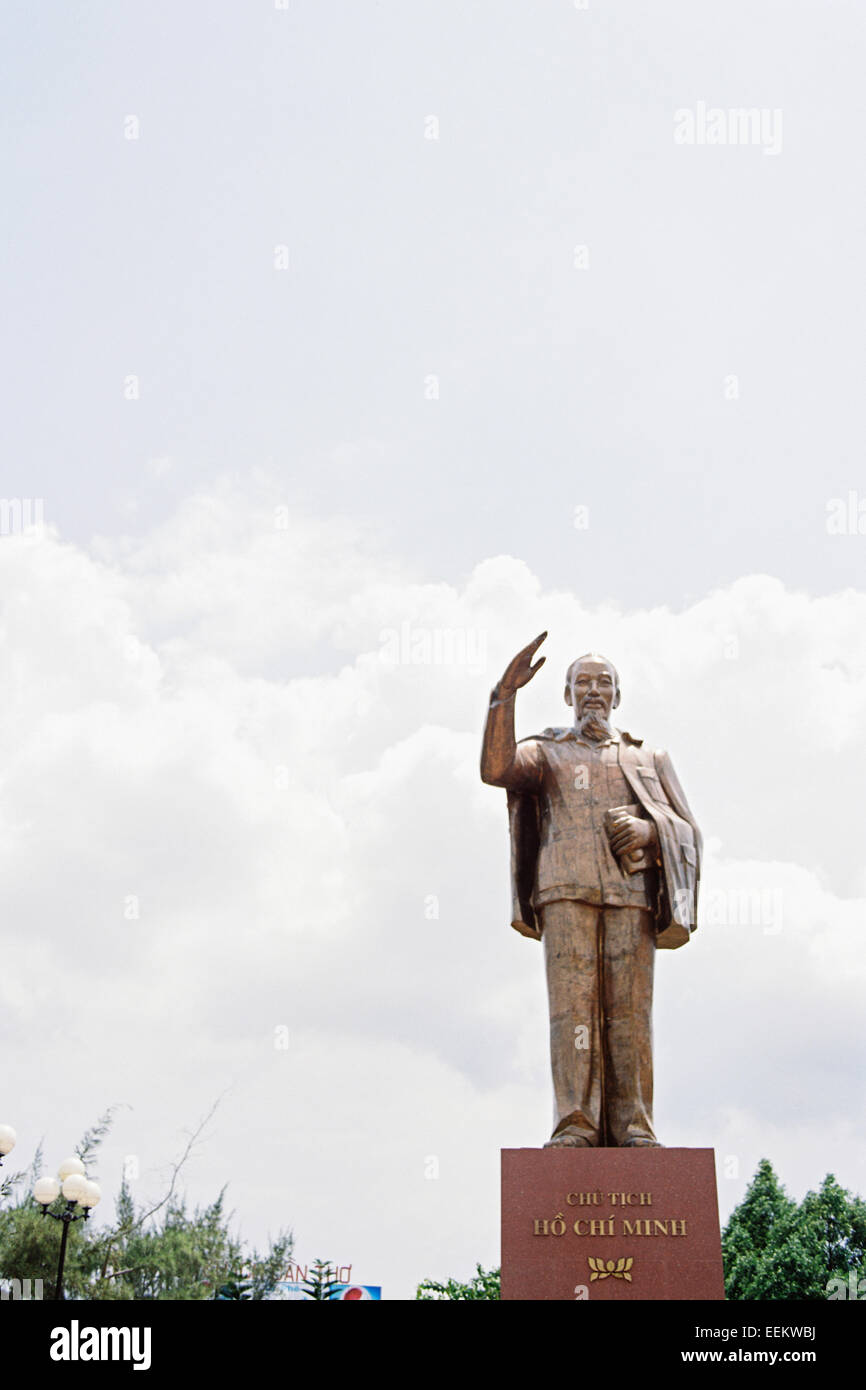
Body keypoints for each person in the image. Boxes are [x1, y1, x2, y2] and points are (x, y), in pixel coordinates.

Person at [480, 633, 701, 1147]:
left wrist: (652, 830)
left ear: (619, 696)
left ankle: (633, 1126)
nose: (594, 691)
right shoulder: (546, 751)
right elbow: (497, 769)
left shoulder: (648, 756)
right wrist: (502, 698)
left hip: (631, 896)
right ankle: (575, 1124)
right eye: (583, 683)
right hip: (564, 892)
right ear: (567, 695)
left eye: (604, 683)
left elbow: (687, 827)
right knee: (572, 1014)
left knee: (630, 1016)